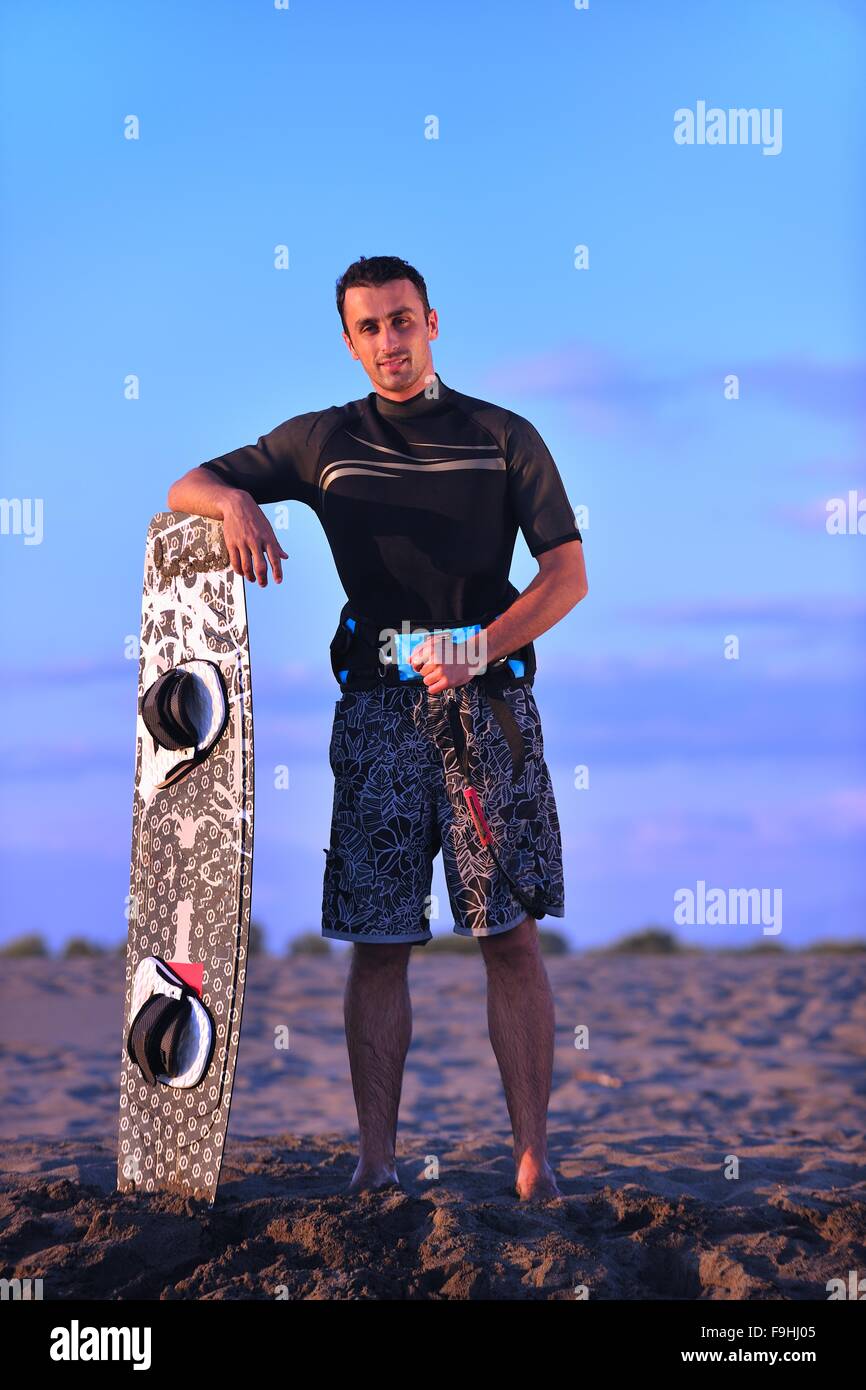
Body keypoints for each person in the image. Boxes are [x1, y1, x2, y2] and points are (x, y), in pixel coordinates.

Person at [167, 255, 588, 1201]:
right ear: (350, 342)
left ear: (432, 323)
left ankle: (531, 1159)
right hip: (376, 717)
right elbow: (185, 482)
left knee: (509, 937)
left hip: (489, 714)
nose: (389, 342)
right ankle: (376, 1163)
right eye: (370, 328)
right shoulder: (325, 439)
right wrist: (234, 499)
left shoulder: (503, 436)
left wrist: (482, 646)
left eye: (403, 321)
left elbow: (567, 574)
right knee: (379, 941)